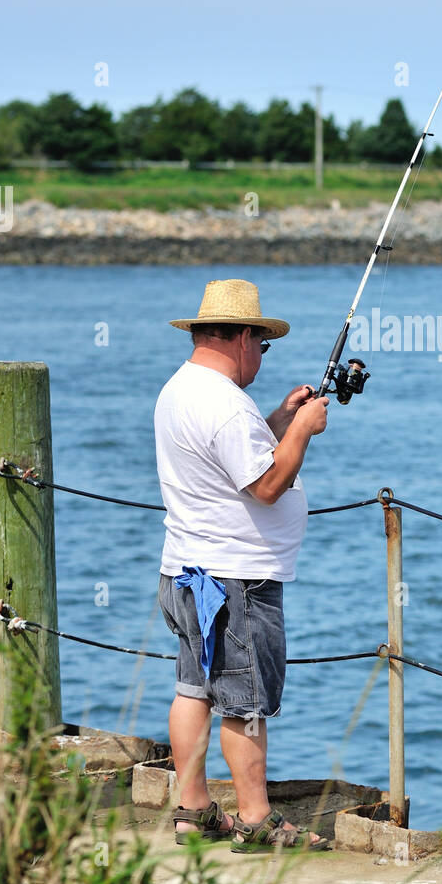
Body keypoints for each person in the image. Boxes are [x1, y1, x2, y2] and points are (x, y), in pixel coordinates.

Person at [154, 278, 330, 851]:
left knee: (192, 690)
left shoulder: (181, 389)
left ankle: (195, 810)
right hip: (236, 581)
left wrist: (279, 418)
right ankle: (256, 822)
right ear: (243, 337)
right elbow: (267, 484)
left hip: (185, 571)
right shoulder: (225, 404)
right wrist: (302, 431)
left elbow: (235, 460)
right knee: (245, 702)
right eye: (262, 343)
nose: (260, 355)